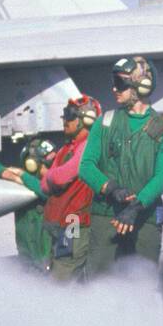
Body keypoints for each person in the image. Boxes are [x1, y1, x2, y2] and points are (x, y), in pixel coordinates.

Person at [79, 56, 163, 281]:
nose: (115, 88)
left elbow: (162, 176)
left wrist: (135, 206)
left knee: (141, 288)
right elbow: (86, 166)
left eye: (121, 83)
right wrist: (111, 188)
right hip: (106, 217)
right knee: (99, 288)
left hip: (145, 220)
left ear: (141, 85)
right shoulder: (104, 123)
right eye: (114, 82)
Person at [35, 97, 98, 283]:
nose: (65, 120)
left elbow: (61, 176)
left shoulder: (89, 146)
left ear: (86, 119)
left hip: (74, 222)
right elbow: (44, 185)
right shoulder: (65, 149)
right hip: (60, 223)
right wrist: (52, 177)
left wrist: (51, 176)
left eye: (70, 115)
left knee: (63, 277)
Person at [0, 138, 55, 270]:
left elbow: (45, 192)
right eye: (49, 163)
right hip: (28, 259)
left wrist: (23, 176)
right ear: (32, 164)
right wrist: (7, 174)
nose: (54, 167)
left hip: (50, 258)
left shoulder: (53, 183)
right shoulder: (21, 184)